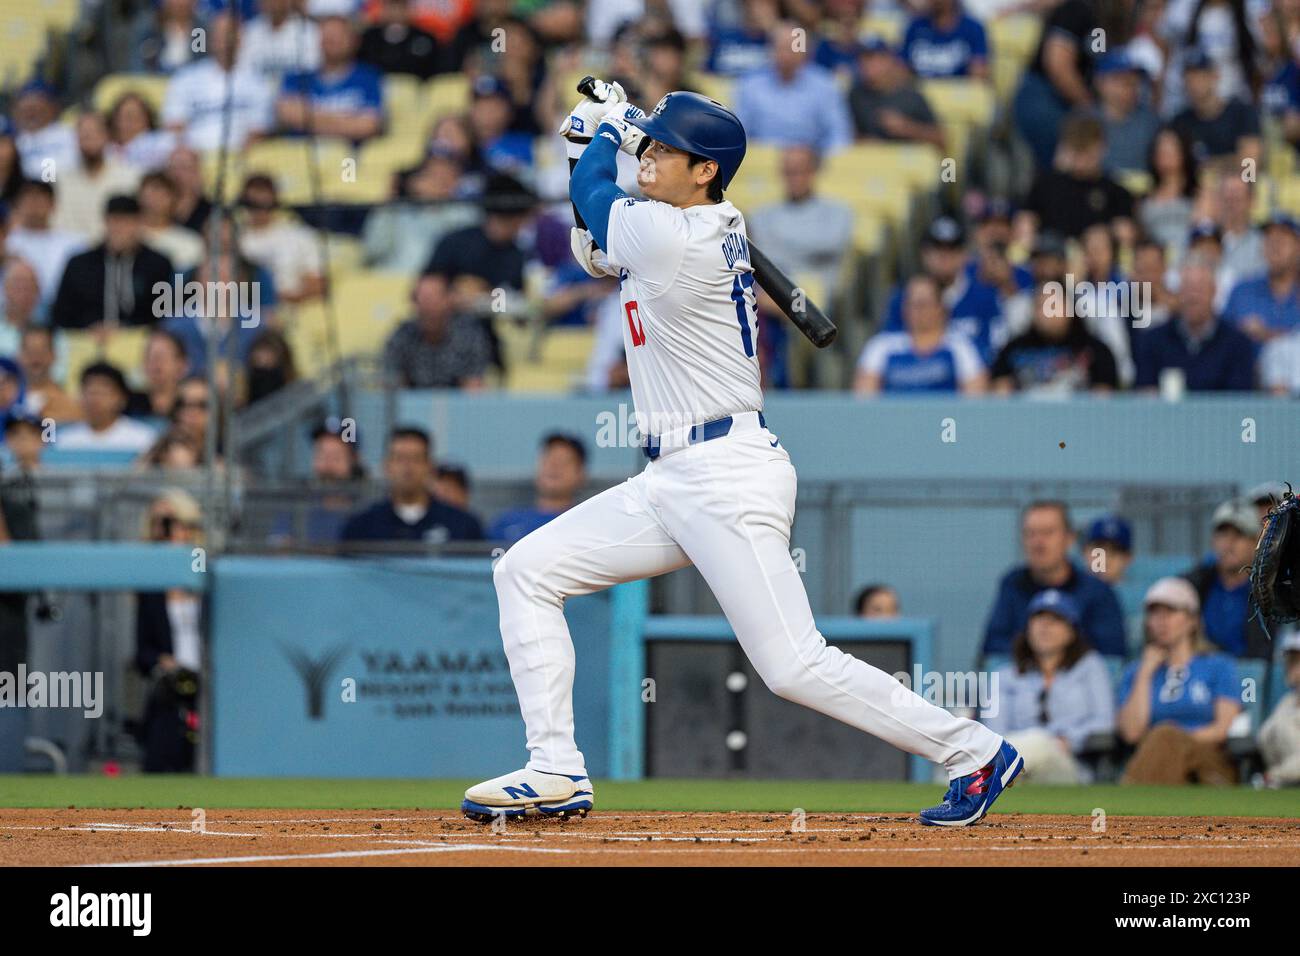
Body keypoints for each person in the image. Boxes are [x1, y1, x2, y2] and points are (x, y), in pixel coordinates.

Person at [461, 86, 1024, 828]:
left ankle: (975, 751)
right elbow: (591, 239)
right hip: (670, 477)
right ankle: (556, 768)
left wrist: (602, 138)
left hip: (724, 474)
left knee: (793, 664)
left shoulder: (680, 237)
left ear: (704, 172)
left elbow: (597, 198)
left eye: (667, 148)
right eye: (651, 143)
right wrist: (591, 143)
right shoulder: (688, 222)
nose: (652, 154)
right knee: (527, 570)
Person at [982, 589, 1116, 784]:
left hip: (1068, 764)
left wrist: (1070, 739)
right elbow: (994, 733)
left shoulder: (1090, 666)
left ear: (1072, 631)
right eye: (1038, 619)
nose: (1044, 626)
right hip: (1016, 767)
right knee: (1033, 743)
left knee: (1041, 743)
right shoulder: (1004, 676)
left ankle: (972, 785)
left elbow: (1105, 723)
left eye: (1055, 619)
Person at [1117, 577, 1241, 785]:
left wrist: (1175, 739)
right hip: (1156, 762)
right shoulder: (1135, 671)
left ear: (1192, 620)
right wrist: (1145, 673)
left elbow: (1222, 729)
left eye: (1171, 612)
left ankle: (1127, 803)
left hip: (1209, 763)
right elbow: (1131, 733)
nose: (1161, 620)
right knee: (1164, 740)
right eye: (1155, 613)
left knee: (1165, 736)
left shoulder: (1219, 666)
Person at [983, 500, 1128, 658]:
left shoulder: (1098, 591)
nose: (1038, 542)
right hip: (1022, 679)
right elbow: (994, 646)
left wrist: (1054, 656)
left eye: (1047, 533)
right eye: (1030, 534)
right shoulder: (1013, 583)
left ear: (1069, 538)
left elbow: (1111, 653)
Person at [135, 488, 204, 772]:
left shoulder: (210, 580)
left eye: (171, 522)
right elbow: (142, 653)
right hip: (172, 692)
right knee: (162, 757)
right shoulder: (151, 591)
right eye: (157, 525)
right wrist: (162, 662)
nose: (165, 533)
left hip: (209, 692)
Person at [1132, 256, 1257, 392]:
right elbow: (1144, 398)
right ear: (1178, 293)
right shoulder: (1152, 341)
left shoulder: (1238, 344)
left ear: (1214, 291)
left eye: (1200, 289)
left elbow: (1240, 403)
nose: (1193, 297)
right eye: (1188, 288)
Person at [340, 426, 483, 544]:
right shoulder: (361, 527)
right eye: (400, 459)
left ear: (430, 466)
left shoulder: (463, 525)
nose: (407, 468)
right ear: (386, 466)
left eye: (416, 459)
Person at [51, 195, 174, 331]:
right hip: (86, 341)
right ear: (105, 222)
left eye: (126, 222)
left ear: (139, 224)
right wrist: (91, 327)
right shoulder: (79, 265)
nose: (119, 229)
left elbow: (164, 314)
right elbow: (62, 314)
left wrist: (126, 328)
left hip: (141, 340)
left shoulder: (158, 264)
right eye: (114, 221)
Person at [853, 274, 987, 394]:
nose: (918, 310)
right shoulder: (881, 346)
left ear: (940, 308)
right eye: (913, 304)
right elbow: (865, 399)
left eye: (924, 304)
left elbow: (974, 399)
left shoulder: (960, 347)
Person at [732, 21, 853, 153]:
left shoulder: (825, 86)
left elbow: (839, 135)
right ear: (770, 49)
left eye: (793, 48)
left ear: (806, 52)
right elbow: (739, 135)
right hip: (762, 161)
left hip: (812, 164)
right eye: (781, 48)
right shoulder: (749, 86)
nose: (787, 55)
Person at [161, 13, 275, 153]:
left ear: (241, 39)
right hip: (193, 158)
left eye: (230, 34)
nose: (225, 41)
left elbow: (259, 131)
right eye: (220, 35)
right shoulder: (185, 78)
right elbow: (174, 126)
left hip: (240, 157)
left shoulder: (258, 82)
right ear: (211, 39)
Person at [989, 283, 1119, 394]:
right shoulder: (1013, 350)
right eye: (1039, 305)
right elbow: (1001, 398)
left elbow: (1102, 405)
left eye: (1052, 306)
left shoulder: (1096, 351)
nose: (1044, 313)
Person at [1183, 497, 1271, 659]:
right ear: (1213, 540)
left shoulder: (1271, 592)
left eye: (1239, 535)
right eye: (1223, 534)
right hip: (1200, 674)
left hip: (1248, 679)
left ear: (1256, 543)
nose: (1228, 544)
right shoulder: (1192, 585)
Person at [277, 16, 385, 144]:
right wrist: (347, 120)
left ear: (354, 41)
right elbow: (288, 114)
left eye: (339, 35)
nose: (332, 40)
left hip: (349, 159)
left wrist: (309, 118)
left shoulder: (369, 77)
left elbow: (368, 126)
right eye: (327, 35)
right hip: (299, 154)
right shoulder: (297, 77)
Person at [51, 112, 142, 243]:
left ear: (107, 136)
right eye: (83, 135)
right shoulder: (59, 180)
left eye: (94, 133)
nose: (88, 139)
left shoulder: (131, 176)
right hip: (71, 253)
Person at [235, 174, 325, 303]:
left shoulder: (299, 235)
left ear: (275, 202)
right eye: (252, 204)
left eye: (265, 204)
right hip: (241, 309)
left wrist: (279, 298)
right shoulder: (230, 237)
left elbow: (318, 283)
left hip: (287, 308)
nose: (259, 211)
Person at [487, 433, 587, 545]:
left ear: (580, 474)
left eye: (563, 461)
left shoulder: (587, 526)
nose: (554, 466)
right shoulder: (506, 522)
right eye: (548, 459)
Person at [1170, 47, 1261, 167]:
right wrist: (1232, 160)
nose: (1194, 83)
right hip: (1197, 186)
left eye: (1200, 75)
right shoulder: (1180, 122)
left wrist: (1208, 167)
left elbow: (1250, 165)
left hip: (1237, 184)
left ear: (1215, 76)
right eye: (1189, 77)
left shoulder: (1241, 113)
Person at [848, 38, 946, 148]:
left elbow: (941, 139)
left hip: (907, 161)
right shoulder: (856, 95)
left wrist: (907, 127)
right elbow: (846, 134)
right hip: (872, 161)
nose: (867, 65)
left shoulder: (911, 96)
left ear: (888, 61)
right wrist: (863, 141)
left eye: (873, 59)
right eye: (862, 59)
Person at [1222, 213, 1300, 343]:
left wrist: (1267, 334)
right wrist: (1239, 333)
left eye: (1282, 240)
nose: (1274, 246)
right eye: (1269, 239)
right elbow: (1220, 340)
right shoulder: (1242, 291)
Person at [57, 363, 158, 453]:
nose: (94, 400)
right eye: (90, 392)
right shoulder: (64, 441)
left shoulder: (143, 439)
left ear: (122, 399)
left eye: (102, 393)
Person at [900, 0, 990, 80]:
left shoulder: (973, 28)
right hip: (920, 93)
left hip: (958, 93)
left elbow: (979, 73)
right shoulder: (915, 27)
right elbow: (903, 68)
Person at [1258, 630, 1300, 786]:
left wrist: (1274, 775)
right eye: (1291, 661)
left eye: (1298, 661)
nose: (1292, 667)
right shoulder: (1286, 702)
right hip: (1283, 786)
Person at [17, 328, 80, 422]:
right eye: (30, 352)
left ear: (53, 355)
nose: (35, 358)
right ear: (19, 355)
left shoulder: (70, 401)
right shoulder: (6, 401)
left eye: (41, 351)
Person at [1081, 514, 1133, 586]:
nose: (1105, 559)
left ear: (1128, 558)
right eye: (1098, 550)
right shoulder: (1064, 593)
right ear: (1084, 552)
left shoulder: (1146, 595)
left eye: (1114, 551)